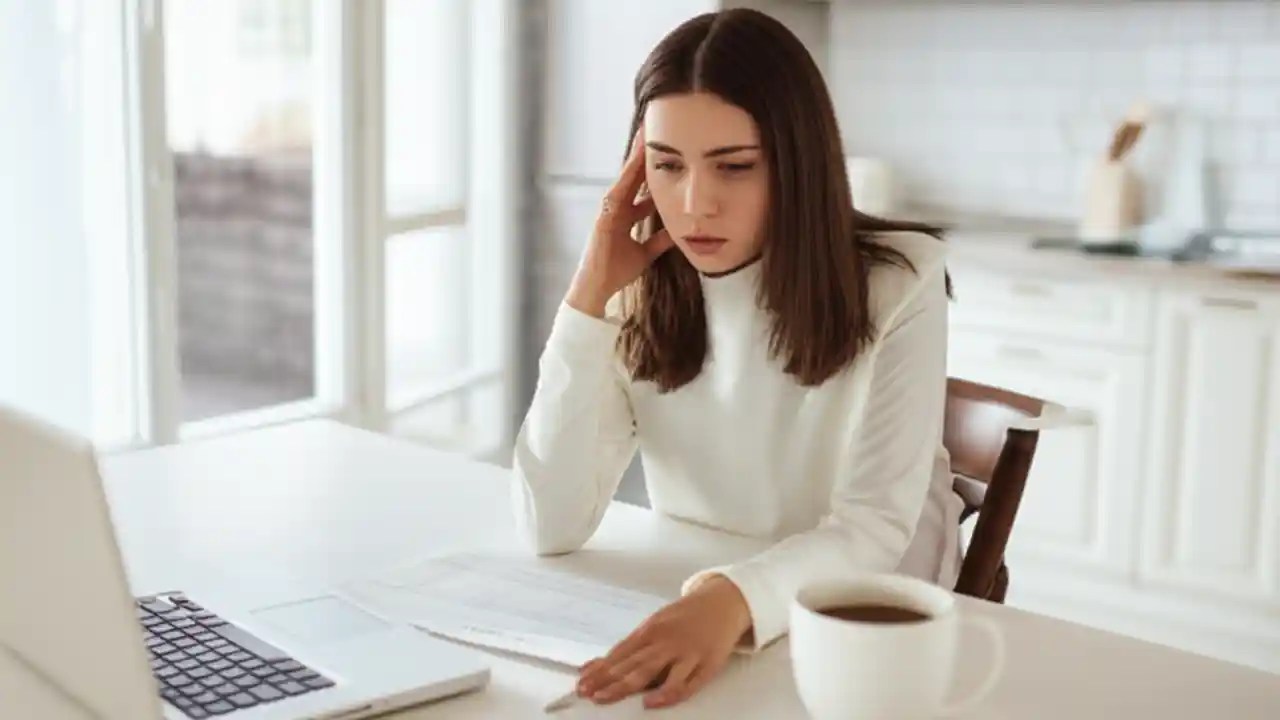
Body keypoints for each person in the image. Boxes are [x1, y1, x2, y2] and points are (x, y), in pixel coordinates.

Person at [511, 7, 962, 710]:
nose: (695, 205)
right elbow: (551, 524)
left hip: (868, 623)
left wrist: (728, 600)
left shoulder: (903, 278)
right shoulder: (639, 288)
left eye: (736, 167)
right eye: (666, 165)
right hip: (709, 587)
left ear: (797, 163)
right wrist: (588, 298)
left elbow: (874, 528)